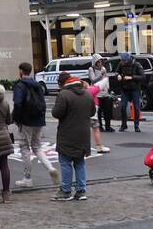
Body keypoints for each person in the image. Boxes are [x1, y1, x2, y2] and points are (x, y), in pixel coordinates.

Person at [51, 71, 93, 201]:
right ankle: (81, 190)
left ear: (62, 83)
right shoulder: (87, 93)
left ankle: (66, 190)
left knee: (65, 162)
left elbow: (56, 113)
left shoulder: (63, 94)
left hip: (67, 134)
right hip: (84, 134)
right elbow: (93, 111)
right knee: (79, 162)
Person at [11, 61, 52, 186]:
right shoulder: (37, 85)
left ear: (21, 71)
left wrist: (15, 118)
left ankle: (27, 178)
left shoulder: (20, 85)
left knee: (24, 148)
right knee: (37, 147)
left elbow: (17, 103)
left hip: (26, 121)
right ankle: (50, 168)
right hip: (39, 120)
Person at [116, 52, 143, 133]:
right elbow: (117, 72)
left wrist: (131, 77)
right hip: (125, 89)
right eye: (121, 60)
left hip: (135, 89)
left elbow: (143, 76)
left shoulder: (136, 64)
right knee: (123, 107)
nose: (122, 62)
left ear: (127, 60)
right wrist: (118, 75)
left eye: (123, 60)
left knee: (136, 107)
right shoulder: (121, 64)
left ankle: (136, 125)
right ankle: (124, 125)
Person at [89, 54, 114, 132]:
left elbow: (106, 78)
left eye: (101, 62)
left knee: (108, 110)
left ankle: (108, 126)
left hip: (104, 92)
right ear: (95, 62)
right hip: (96, 93)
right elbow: (93, 80)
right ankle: (99, 126)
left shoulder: (103, 68)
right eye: (98, 62)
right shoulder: (91, 69)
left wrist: (107, 87)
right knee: (98, 111)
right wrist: (101, 74)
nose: (100, 63)